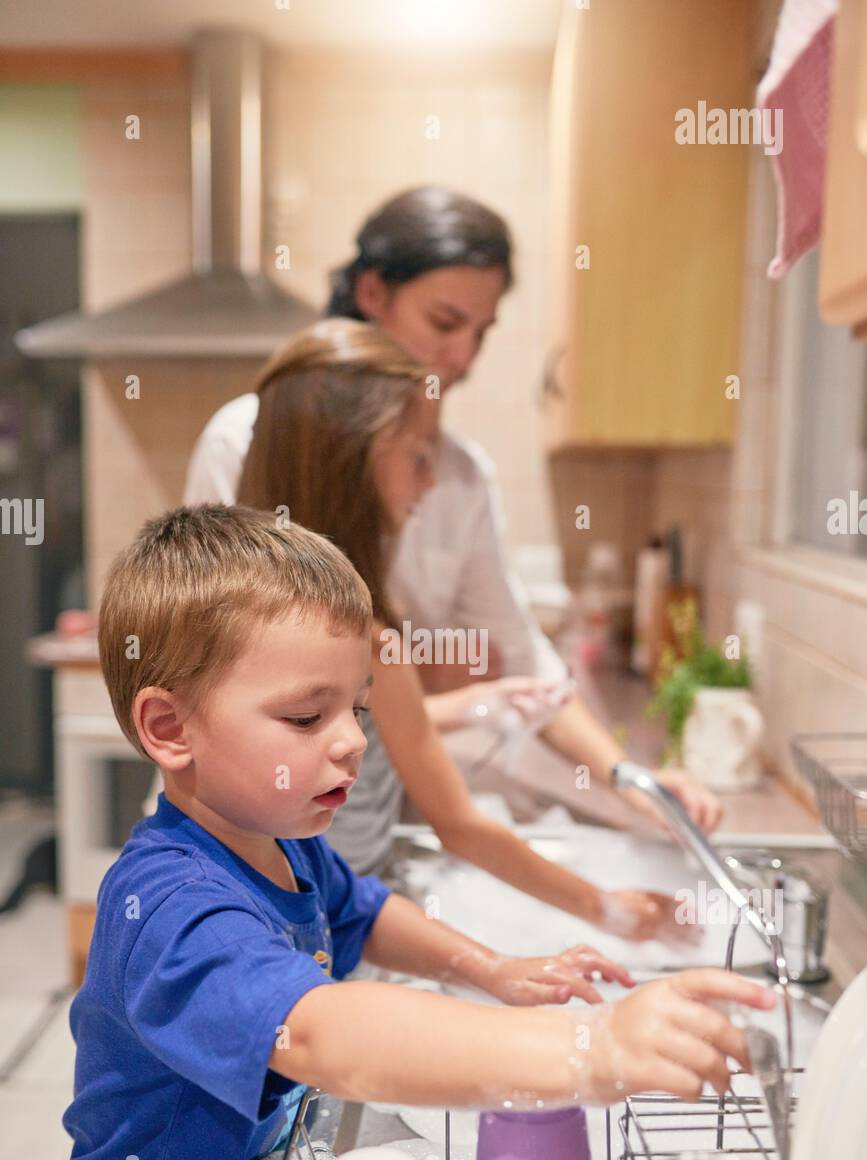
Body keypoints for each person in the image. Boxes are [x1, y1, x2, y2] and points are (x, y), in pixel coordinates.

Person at [11, 505, 774, 1160]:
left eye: (357, 707)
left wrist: (496, 969)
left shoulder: (281, 838)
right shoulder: (169, 911)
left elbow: (364, 911)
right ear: (170, 728)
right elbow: (317, 1034)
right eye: (307, 716)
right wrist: (591, 1047)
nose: (351, 741)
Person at [184, 185, 721, 836]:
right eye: (444, 323)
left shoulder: (461, 479)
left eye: (481, 332)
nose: (463, 358)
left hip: (374, 823)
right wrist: (460, 707)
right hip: (247, 830)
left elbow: (523, 662)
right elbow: (221, 681)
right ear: (373, 294)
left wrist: (628, 777)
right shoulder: (241, 443)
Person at [237, 318, 695, 945]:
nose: (430, 480)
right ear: (353, 461)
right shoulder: (364, 633)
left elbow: (355, 724)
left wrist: (480, 704)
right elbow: (463, 827)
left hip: (264, 924)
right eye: (418, 456)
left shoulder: (240, 608)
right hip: (323, 933)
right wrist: (610, 909)